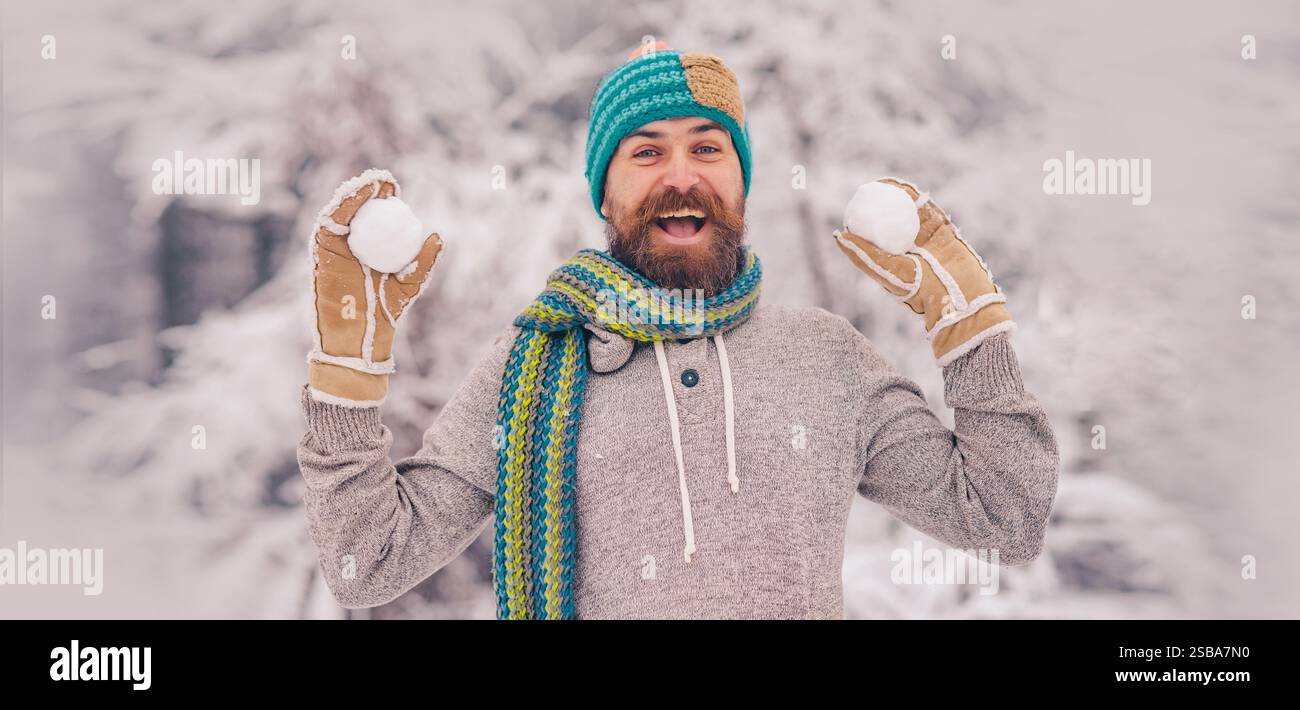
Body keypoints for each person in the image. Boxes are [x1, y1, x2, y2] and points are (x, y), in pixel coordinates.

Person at [296, 41, 1060, 620]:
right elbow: (370, 561)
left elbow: (1005, 516)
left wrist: (972, 329)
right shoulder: (528, 369)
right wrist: (346, 376)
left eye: (706, 147)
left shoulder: (827, 358)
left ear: (739, 179)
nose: (681, 176)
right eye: (646, 151)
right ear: (606, 191)